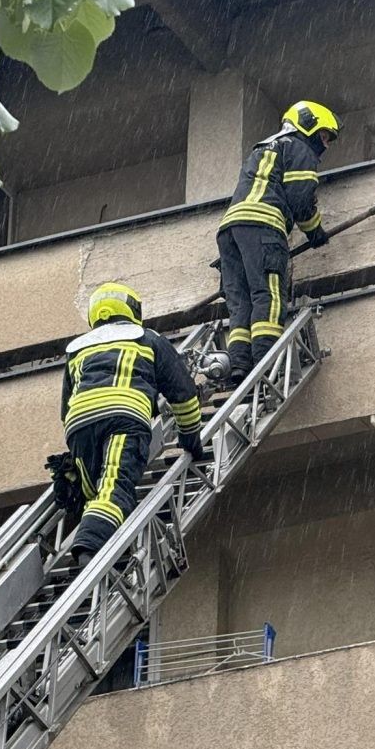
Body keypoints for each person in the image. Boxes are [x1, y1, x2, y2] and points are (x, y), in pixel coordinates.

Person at [63, 281, 207, 568]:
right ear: (131, 309)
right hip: (124, 420)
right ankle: (88, 552)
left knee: (96, 494)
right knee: (115, 487)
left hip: (78, 426)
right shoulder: (147, 339)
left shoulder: (77, 349)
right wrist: (190, 437)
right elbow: (183, 394)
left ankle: (111, 552)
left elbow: (66, 401)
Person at [216, 100, 341, 385]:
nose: (326, 145)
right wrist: (315, 230)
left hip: (229, 231)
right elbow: (300, 197)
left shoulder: (262, 149)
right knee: (269, 296)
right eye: (324, 136)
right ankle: (265, 363)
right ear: (308, 125)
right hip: (263, 226)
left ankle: (239, 366)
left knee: (242, 303)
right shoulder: (297, 147)